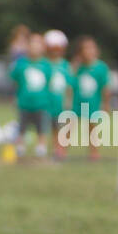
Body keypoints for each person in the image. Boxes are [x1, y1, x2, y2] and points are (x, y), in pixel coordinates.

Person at [10, 33, 52, 159]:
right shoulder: (21, 64)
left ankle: (41, 147)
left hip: (41, 102)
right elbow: (16, 81)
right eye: (32, 43)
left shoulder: (46, 65)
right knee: (22, 126)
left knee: (41, 127)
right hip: (24, 102)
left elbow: (48, 82)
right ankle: (20, 147)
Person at [71, 36, 109, 160]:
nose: (89, 51)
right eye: (86, 48)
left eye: (92, 48)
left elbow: (105, 88)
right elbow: (71, 84)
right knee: (69, 125)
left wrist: (105, 104)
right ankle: (61, 149)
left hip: (93, 103)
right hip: (77, 103)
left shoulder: (101, 67)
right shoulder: (78, 67)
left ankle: (94, 152)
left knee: (92, 128)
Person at [43, 29, 73, 160]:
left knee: (63, 127)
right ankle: (52, 149)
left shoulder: (66, 65)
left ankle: (61, 150)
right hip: (47, 102)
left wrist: (68, 101)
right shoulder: (44, 64)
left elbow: (69, 86)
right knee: (50, 127)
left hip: (61, 103)